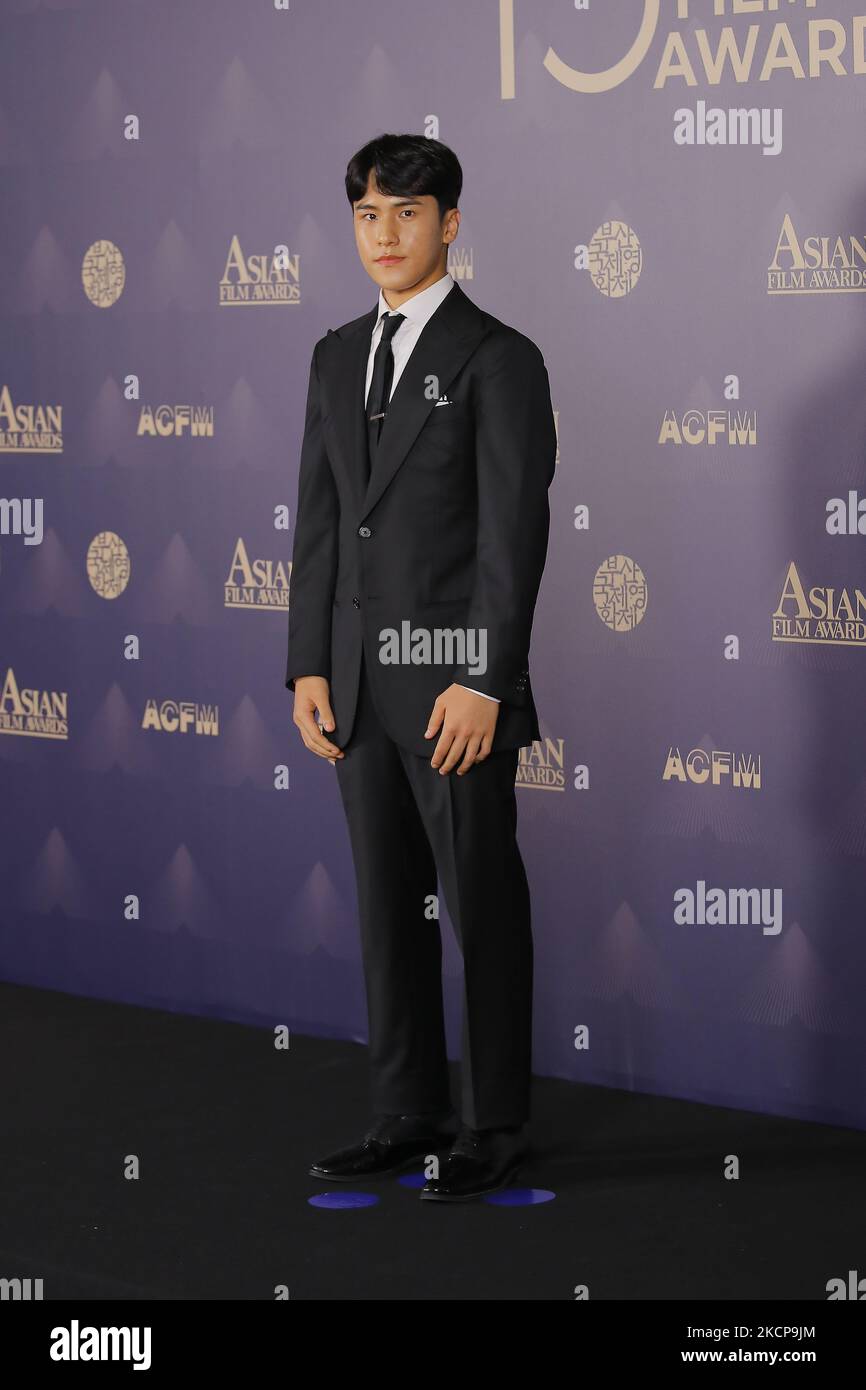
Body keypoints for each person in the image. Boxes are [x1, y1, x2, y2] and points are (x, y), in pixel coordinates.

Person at [286, 132, 556, 1201]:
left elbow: (511, 535)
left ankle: (493, 1121)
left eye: (406, 213)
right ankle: (405, 1110)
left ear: (449, 223)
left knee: (479, 900)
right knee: (386, 907)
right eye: (366, 214)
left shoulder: (500, 358)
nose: (384, 234)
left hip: (453, 685)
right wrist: (307, 658)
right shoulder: (331, 352)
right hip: (354, 682)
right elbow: (317, 523)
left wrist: (486, 679)